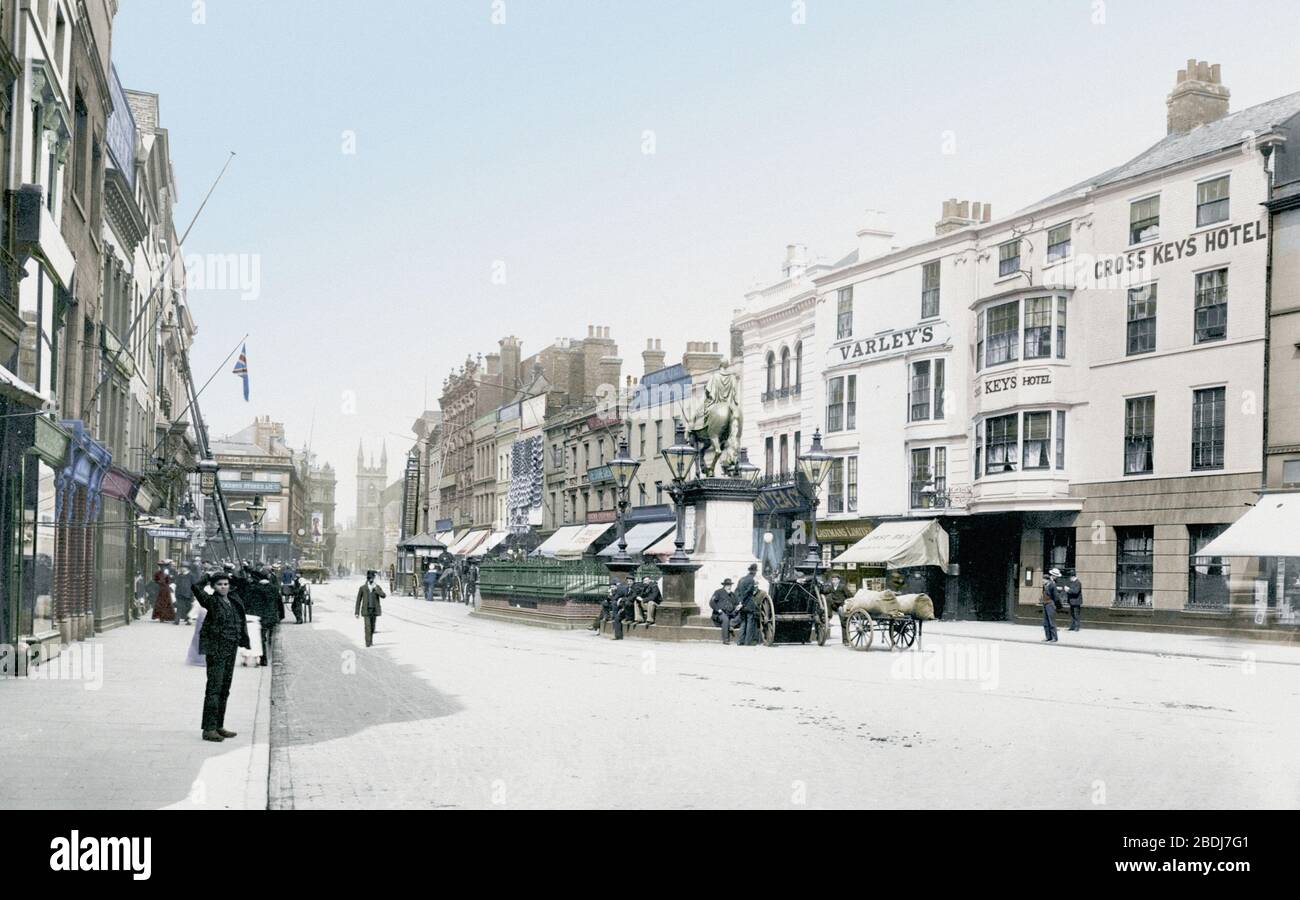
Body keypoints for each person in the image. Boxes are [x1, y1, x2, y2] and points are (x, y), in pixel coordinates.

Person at [191, 571, 250, 742]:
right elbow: (195, 587)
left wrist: (232, 574)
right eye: (219, 584)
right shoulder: (211, 601)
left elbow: (245, 584)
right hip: (217, 650)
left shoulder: (233, 599)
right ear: (213, 587)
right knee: (214, 689)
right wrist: (208, 576)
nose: (223, 587)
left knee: (225, 689)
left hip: (231, 649)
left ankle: (219, 725)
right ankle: (208, 729)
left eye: (225, 584)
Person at [243, 566, 283, 666]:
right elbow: (279, 603)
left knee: (261, 637)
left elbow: (247, 603)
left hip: (259, 617)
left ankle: (263, 658)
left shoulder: (253, 589)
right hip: (271, 617)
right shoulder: (274, 589)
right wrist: (281, 616)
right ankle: (272, 655)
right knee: (271, 637)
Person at [355, 570, 386, 647]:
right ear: (368, 578)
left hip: (374, 610)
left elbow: (383, 595)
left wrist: (376, 588)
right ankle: (368, 643)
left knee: (372, 627)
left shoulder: (377, 587)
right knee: (367, 626)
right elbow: (358, 600)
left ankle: (370, 640)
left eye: (372, 578)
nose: (371, 579)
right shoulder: (362, 588)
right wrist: (357, 612)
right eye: (370, 578)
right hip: (366, 610)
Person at [735, 564, 760, 645]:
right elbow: (747, 593)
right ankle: (747, 642)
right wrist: (742, 602)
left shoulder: (741, 579)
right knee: (750, 623)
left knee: (743, 622)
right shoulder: (751, 580)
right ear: (755, 572)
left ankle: (740, 641)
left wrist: (739, 602)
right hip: (748, 604)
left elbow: (737, 591)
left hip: (741, 605)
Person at [823, 574, 851, 645]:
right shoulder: (830, 587)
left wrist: (845, 605)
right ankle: (829, 616)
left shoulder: (843, 587)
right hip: (834, 605)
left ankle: (845, 640)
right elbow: (824, 591)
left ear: (839, 580)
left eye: (835, 579)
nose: (834, 581)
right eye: (832, 580)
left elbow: (849, 595)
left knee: (844, 623)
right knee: (828, 598)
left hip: (841, 605)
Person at [710, 578, 738, 644]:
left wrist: (737, 607)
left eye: (730, 585)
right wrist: (718, 609)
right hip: (719, 614)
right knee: (725, 619)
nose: (729, 587)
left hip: (730, 614)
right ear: (724, 585)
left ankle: (730, 625)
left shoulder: (733, 595)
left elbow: (736, 603)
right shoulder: (718, 592)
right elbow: (712, 602)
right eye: (727, 585)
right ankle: (725, 640)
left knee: (741, 615)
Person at [1041, 568, 1061, 642]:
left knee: (1051, 621)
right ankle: (1048, 637)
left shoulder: (1052, 584)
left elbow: (1056, 596)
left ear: (1046, 580)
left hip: (1050, 603)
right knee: (1045, 622)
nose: (1042, 581)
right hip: (1045, 603)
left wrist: (1057, 605)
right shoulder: (1046, 585)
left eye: (1043, 580)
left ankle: (1054, 637)